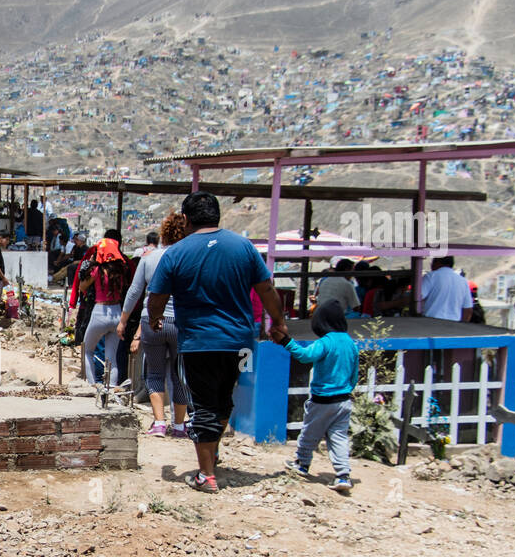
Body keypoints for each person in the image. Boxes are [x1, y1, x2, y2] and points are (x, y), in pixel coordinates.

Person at [147, 191, 288, 493]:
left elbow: (157, 296)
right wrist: (278, 322)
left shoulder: (176, 252)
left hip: (199, 343)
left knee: (202, 404)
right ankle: (212, 451)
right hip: (240, 343)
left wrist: (155, 318)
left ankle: (206, 474)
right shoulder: (243, 247)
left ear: (185, 219)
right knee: (224, 398)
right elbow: (266, 289)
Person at [121, 219, 191, 436]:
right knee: (180, 375)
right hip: (181, 322)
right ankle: (179, 425)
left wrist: (123, 321)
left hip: (152, 321)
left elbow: (134, 291)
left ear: (164, 234)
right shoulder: (189, 259)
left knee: (154, 373)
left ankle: (159, 423)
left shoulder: (149, 259)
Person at [280, 300, 359, 492]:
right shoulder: (351, 343)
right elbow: (355, 374)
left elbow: (305, 356)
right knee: (339, 438)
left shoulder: (326, 342)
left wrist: (286, 341)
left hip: (323, 399)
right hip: (344, 400)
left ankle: (302, 464)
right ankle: (342, 476)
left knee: (310, 433)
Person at [80, 234, 128, 387]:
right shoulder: (121, 271)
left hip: (100, 311)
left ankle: (93, 385)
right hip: (117, 312)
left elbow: (82, 287)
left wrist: (93, 261)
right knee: (111, 357)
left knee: (87, 350)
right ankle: (112, 388)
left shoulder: (97, 270)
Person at [420, 256, 473, 321]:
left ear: (437, 262)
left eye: (432, 262)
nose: (431, 265)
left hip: (431, 322)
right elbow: (468, 310)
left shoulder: (431, 276)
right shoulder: (463, 281)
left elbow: (418, 297)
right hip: (453, 325)